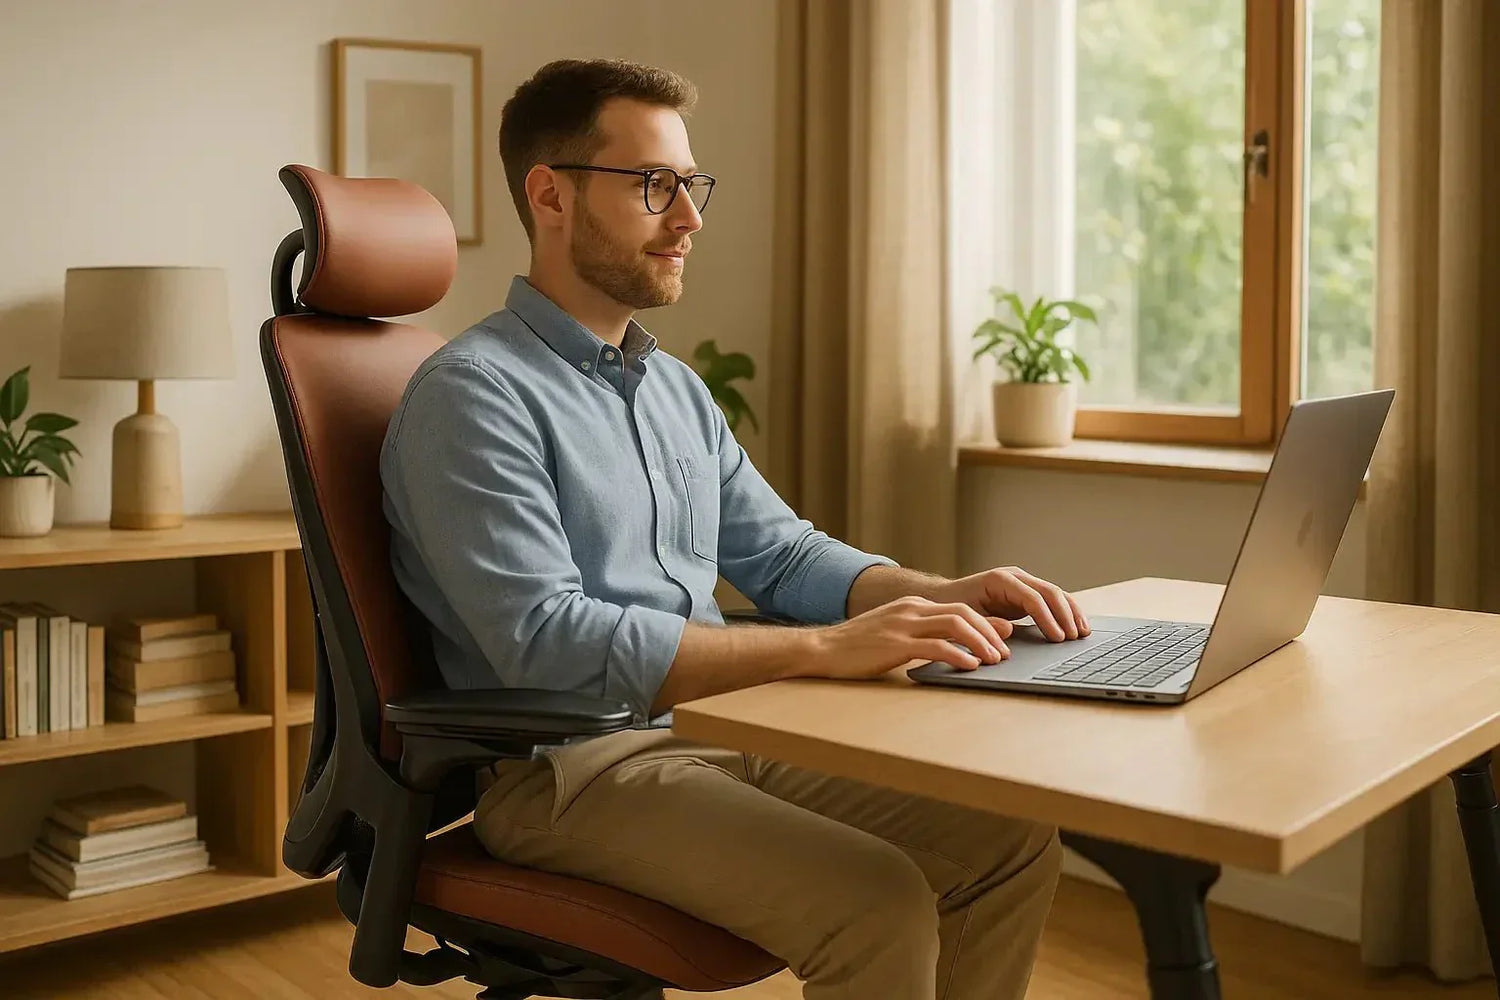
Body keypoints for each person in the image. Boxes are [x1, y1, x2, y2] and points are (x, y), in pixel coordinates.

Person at [380, 57, 1092, 1000]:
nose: (690, 218)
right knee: (877, 898)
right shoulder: (473, 396)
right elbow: (545, 643)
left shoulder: (671, 388)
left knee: (1008, 841)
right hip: (570, 772)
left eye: (690, 184)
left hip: (715, 733)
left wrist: (941, 593)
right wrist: (826, 649)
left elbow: (783, 554)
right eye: (653, 186)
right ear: (549, 195)